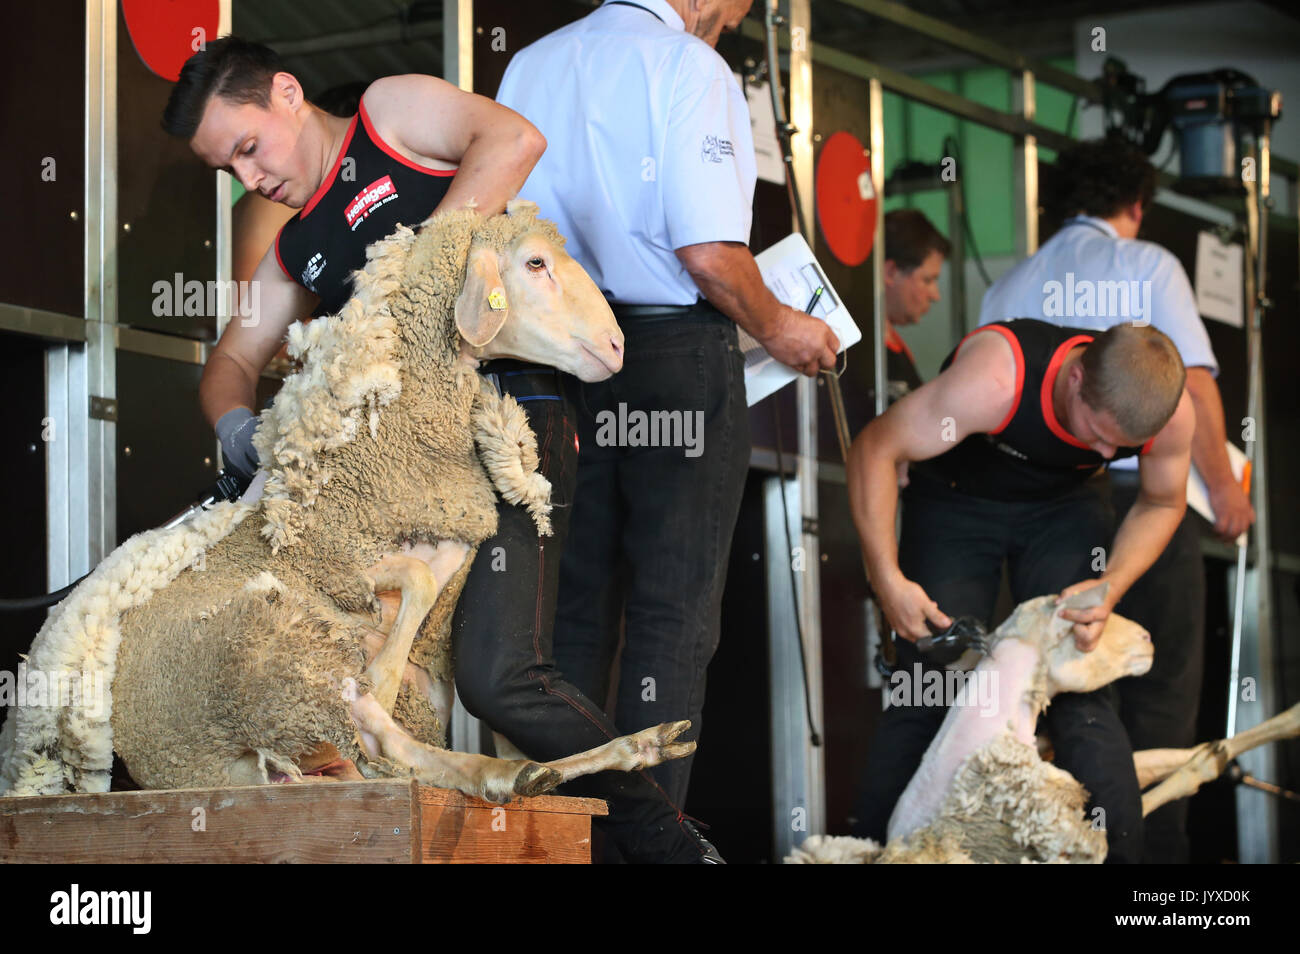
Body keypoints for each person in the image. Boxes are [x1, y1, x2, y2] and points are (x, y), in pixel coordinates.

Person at [165, 36, 717, 863]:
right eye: (228, 172)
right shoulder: (296, 246)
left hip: (508, 423)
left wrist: (424, 272)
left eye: (247, 148)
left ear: (286, 92)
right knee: (379, 688)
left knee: (502, 676)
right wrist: (240, 433)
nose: (250, 180)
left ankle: (676, 849)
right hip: (410, 470)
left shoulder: (388, 117)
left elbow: (516, 139)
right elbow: (230, 365)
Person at [497, 0, 839, 827]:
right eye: (738, 6)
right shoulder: (690, 66)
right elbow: (711, 256)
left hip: (557, 360)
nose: (739, 16)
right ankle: (651, 847)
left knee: (565, 612)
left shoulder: (528, 65)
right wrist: (785, 327)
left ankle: (565, 839)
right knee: (671, 610)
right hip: (670, 351)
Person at [978, 137, 1255, 862]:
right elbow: (1191, 381)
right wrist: (1224, 491)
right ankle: (1156, 877)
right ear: (1134, 205)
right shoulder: (1150, 265)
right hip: (1145, 507)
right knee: (1160, 705)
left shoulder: (1010, 284)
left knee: (1067, 706)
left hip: (1042, 520)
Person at [846, 318, 1195, 863]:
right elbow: (874, 450)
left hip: (1066, 508)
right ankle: (859, 856)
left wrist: (1110, 585)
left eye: (1119, 447)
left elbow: (1163, 501)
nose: (1103, 448)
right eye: (1097, 433)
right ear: (1076, 378)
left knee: (1084, 696)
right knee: (930, 683)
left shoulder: (1167, 413)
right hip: (957, 501)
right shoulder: (994, 380)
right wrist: (887, 580)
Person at [880, 208, 950, 402]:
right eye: (927, 280)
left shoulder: (897, 345)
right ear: (891, 272)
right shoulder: (856, 352)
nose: (936, 296)